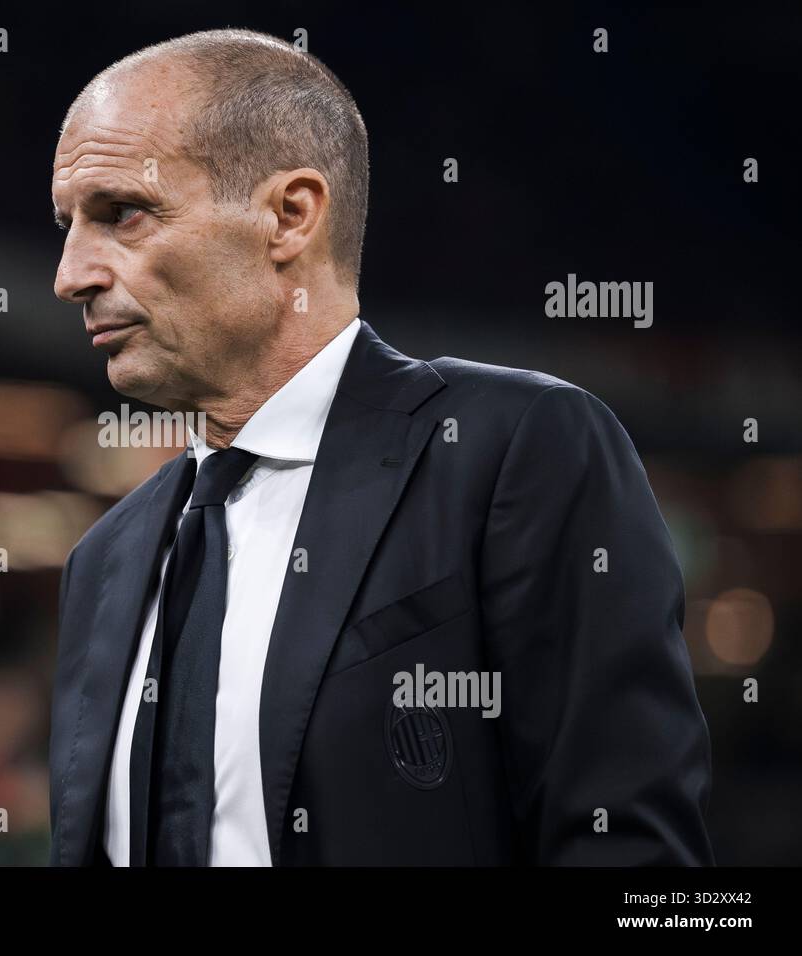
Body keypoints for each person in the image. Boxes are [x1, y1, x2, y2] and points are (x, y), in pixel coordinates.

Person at [46, 28, 713, 866]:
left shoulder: (516, 451)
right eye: (69, 224)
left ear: (289, 216)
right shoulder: (103, 560)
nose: (72, 274)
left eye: (122, 214)